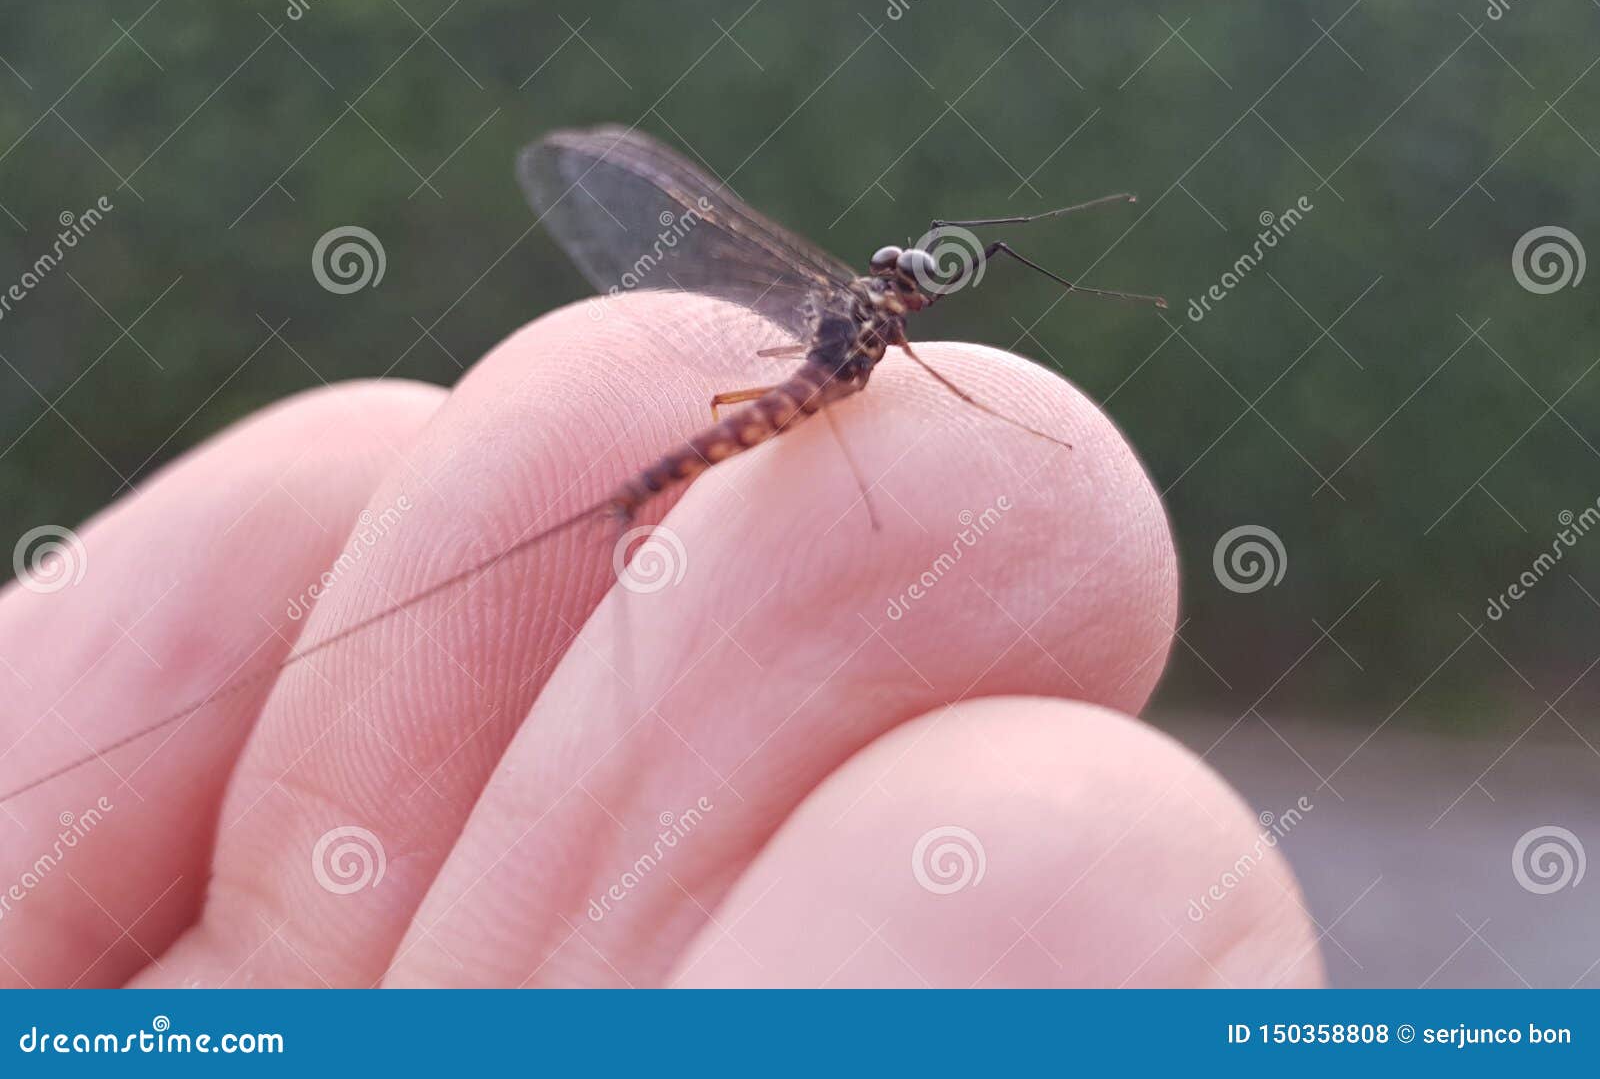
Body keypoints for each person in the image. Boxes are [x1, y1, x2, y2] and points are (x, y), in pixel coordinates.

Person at [0, 294, 1320, 988]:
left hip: (775, 416)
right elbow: (864, 415)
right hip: (766, 420)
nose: (909, 293)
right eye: (907, 283)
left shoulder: (864, 331)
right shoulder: (870, 348)